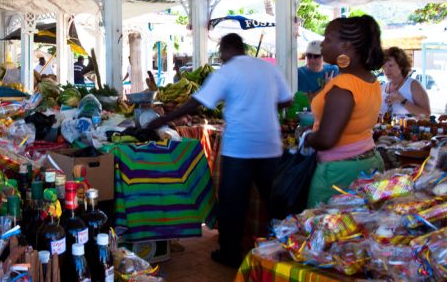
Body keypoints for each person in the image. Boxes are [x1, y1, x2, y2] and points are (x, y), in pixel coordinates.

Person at [146, 33, 292, 267]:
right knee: (275, 202)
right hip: (270, 146)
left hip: (239, 149)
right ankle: (288, 249)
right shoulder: (268, 68)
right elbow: (287, 100)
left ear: (226, 49)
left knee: (233, 203)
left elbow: (197, 101)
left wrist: (163, 119)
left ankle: (230, 254)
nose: (221, 56)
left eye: (221, 51)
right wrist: (261, 103)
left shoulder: (227, 72)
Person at [305, 15, 386, 208]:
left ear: (346, 46)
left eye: (328, 39)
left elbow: (326, 140)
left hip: (339, 172)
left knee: (323, 223)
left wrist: (306, 137)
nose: (322, 45)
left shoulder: (343, 86)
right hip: (369, 162)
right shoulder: (370, 80)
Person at [381, 46, 431, 118]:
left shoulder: (413, 85)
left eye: (390, 65)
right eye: (384, 66)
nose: (386, 69)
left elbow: (426, 115)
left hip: (409, 125)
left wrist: (401, 100)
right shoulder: (382, 88)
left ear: (401, 66)